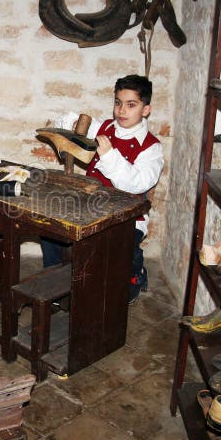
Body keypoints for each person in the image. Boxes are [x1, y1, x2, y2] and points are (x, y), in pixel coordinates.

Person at [41, 74, 164, 304]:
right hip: (90, 207)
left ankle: (134, 272)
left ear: (146, 109)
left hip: (126, 218)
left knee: (116, 292)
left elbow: (136, 184)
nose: (122, 111)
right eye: (118, 102)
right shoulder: (104, 127)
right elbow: (70, 122)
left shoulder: (151, 148)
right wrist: (70, 124)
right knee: (50, 230)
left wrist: (109, 155)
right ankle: (56, 286)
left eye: (131, 105)